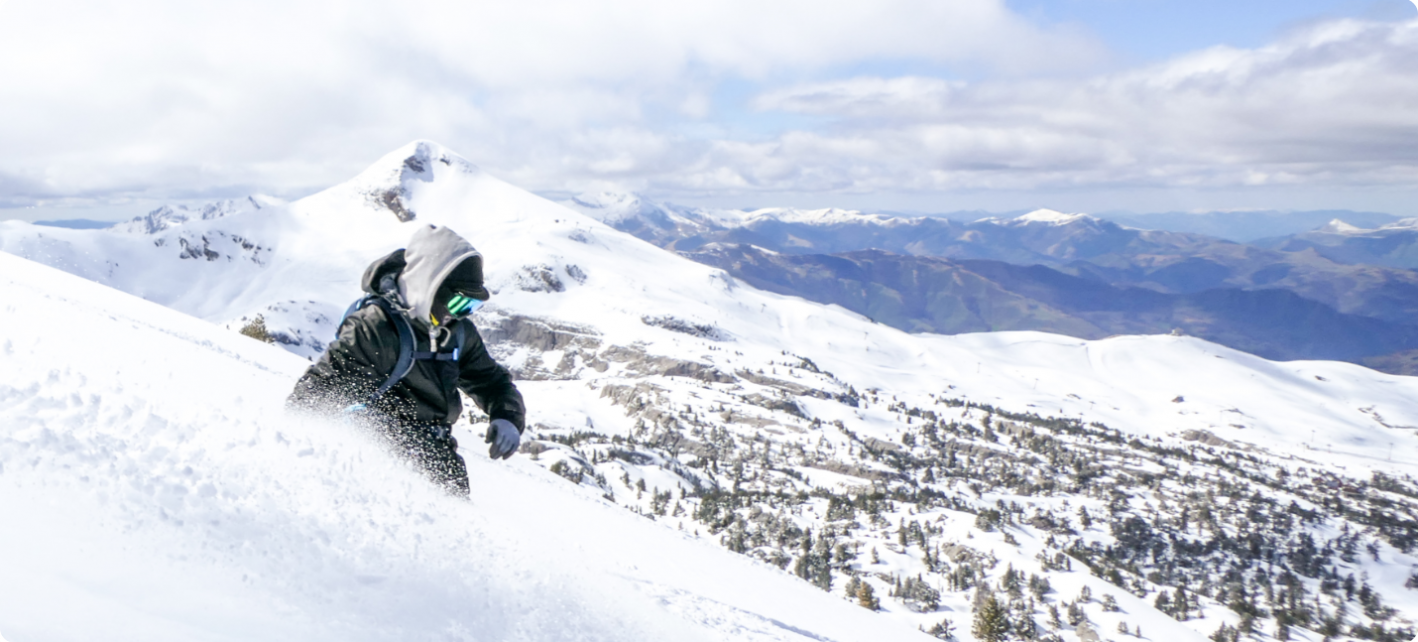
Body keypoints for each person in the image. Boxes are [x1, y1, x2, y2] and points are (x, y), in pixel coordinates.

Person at [287, 224, 525, 496]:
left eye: (471, 307)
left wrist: (507, 415)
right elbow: (313, 395)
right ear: (428, 285)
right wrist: (301, 458)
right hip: (380, 460)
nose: (461, 314)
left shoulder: (457, 333)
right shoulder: (376, 328)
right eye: (458, 303)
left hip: (440, 458)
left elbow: (491, 381)